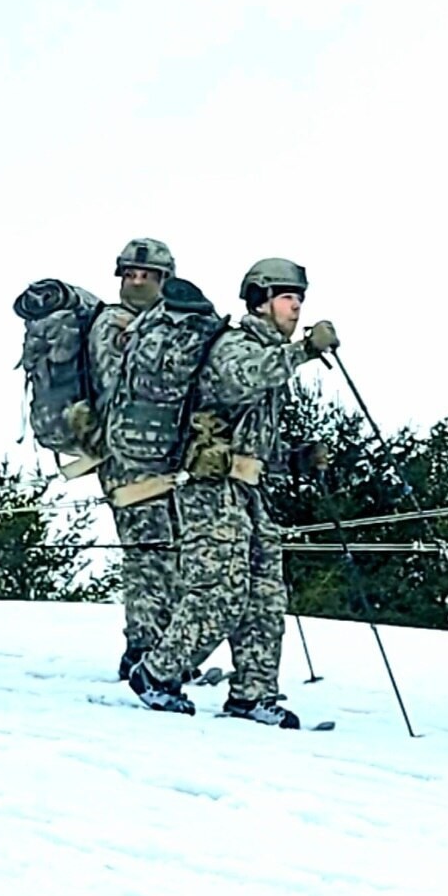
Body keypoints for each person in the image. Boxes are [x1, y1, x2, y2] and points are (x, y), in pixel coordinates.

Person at [124, 257, 337, 726]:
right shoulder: (235, 346)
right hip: (208, 489)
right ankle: (158, 674)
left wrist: (294, 458)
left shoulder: (267, 351)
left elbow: (249, 434)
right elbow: (246, 378)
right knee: (218, 590)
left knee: (265, 594)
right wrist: (303, 351)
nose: (296, 308)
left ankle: (252, 693)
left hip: (247, 489)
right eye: (287, 298)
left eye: (299, 299)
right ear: (260, 301)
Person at [89, 238, 180, 681]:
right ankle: (142, 647)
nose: (137, 281)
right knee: (146, 553)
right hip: (127, 456)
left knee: (168, 550)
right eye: (131, 274)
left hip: (160, 456)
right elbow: (121, 384)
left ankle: (162, 645)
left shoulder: (162, 325)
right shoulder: (113, 323)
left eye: (146, 275)